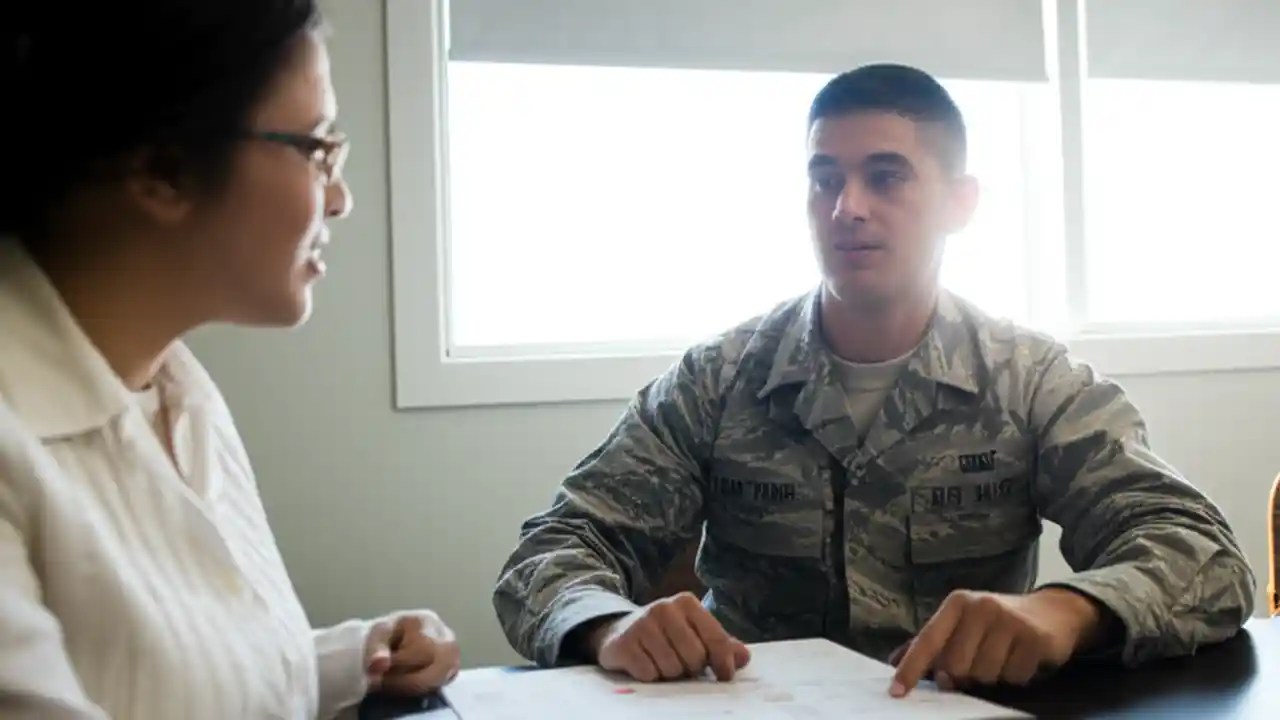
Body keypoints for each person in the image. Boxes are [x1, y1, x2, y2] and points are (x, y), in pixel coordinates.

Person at [493, 64, 1255, 697]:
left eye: (885, 177)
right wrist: (608, 623)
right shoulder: (717, 380)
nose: (846, 208)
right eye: (825, 179)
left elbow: (1203, 556)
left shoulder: (1028, 381)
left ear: (960, 203)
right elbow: (553, 551)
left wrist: (1066, 613)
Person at [0, 2, 458, 718]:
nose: (339, 198)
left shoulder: (178, 395)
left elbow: (166, 678)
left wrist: (356, 657)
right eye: (314, 149)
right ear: (161, 168)